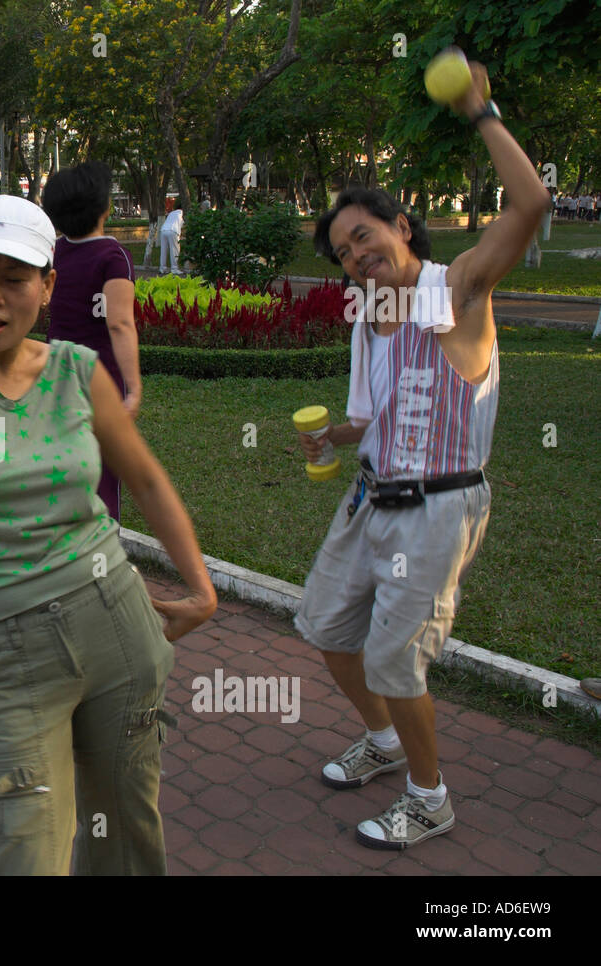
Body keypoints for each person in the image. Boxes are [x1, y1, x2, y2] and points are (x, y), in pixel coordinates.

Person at [0, 71, 217, 875]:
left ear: (48, 285)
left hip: (118, 621)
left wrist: (199, 587)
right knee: (24, 852)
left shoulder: (73, 371)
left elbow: (151, 482)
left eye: (13, 278)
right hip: (1, 649)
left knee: (128, 832)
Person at [295, 61, 550, 850]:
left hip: (438, 509)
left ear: (401, 226)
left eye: (363, 235)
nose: (355, 257)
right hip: (371, 496)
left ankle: (429, 796)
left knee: (394, 660)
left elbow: (533, 204)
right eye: (341, 251)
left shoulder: (458, 289)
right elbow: (372, 418)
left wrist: (479, 109)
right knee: (328, 628)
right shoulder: (368, 316)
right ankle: (385, 740)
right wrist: (335, 438)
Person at [41, 160, 142, 523]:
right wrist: (133, 388)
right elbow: (120, 324)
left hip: (54, 377)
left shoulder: (53, 252)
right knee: (101, 474)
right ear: (106, 208)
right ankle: (100, 563)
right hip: (101, 385)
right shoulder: (113, 257)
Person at [158, 203, 184, 276]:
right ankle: (174, 269)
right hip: (173, 231)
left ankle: (162, 268)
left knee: (163, 250)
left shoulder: (172, 213)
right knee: (174, 250)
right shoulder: (182, 213)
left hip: (163, 230)